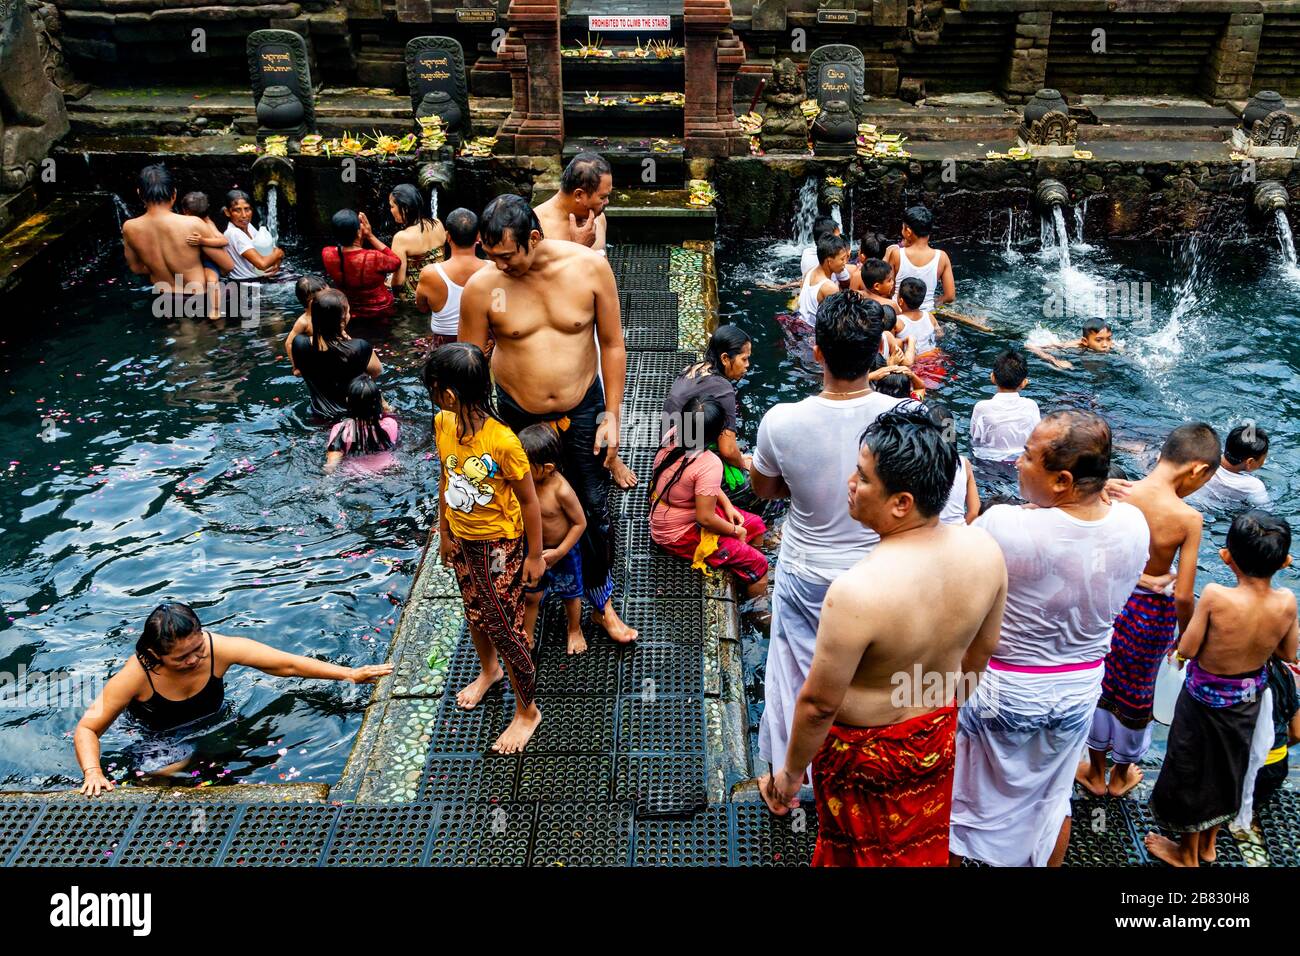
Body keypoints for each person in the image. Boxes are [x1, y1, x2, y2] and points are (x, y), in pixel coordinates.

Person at [759, 404, 1008, 866]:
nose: (850, 484)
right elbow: (981, 654)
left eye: (863, 476)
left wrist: (790, 775)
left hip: (863, 757)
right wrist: (942, 713)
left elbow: (818, 705)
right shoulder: (986, 551)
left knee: (859, 854)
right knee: (918, 843)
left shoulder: (857, 592)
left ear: (901, 503)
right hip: (934, 732)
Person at [949, 410, 1150, 867]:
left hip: (1003, 689)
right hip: (1078, 690)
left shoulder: (1004, 526)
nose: (1018, 463)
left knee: (964, 806)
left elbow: (953, 571)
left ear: (1062, 480)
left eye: (1027, 456)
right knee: (1051, 801)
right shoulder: (1135, 525)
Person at [459, 193, 637, 643]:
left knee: (594, 508)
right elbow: (470, 365)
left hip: (582, 406)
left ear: (533, 238)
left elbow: (613, 344)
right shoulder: (484, 288)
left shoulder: (588, 267)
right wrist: (474, 430)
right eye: (490, 256)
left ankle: (600, 602)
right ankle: (528, 593)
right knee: (523, 508)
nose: (498, 265)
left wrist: (611, 416)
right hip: (519, 413)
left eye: (505, 256)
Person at [750, 292, 907, 776]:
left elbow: (766, 488)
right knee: (875, 678)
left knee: (797, 673)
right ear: (879, 349)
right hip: (884, 574)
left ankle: (789, 775)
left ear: (816, 351)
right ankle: (866, 772)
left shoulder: (781, 421)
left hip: (808, 571)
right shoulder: (906, 417)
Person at [75, 601, 392, 795]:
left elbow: (286, 663)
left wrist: (348, 673)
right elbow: (88, 728)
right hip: (159, 737)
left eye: (197, 649)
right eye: (181, 658)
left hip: (214, 721)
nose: (194, 660)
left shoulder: (217, 648)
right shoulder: (135, 675)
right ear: (155, 653)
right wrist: (93, 772)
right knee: (163, 774)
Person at [1146, 510, 1299, 867]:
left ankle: (1186, 853)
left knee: (1192, 770)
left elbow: (1189, 647)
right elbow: (1288, 653)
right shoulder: (1287, 602)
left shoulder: (1215, 596)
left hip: (1202, 704)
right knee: (1229, 768)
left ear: (1226, 556)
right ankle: (1209, 845)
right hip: (1249, 701)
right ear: (1286, 561)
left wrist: (1180, 652)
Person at [1078, 423, 1219, 797]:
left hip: (1111, 604)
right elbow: (1185, 595)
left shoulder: (1119, 493)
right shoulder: (1188, 519)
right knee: (1137, 693)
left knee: (1103, 682)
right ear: (1198, 471)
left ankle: (1094, 770)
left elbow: (1093, 558)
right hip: (1152, 619)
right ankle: (1121, 776)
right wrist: (1185, 638)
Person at [424, 343, 547, 753]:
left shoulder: (503, 442)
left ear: (450, 393)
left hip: (498, 546)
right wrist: (443, 532)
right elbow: (445, 479)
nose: (432, 394)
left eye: (434, 388)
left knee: (507, 629)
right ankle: (488, 671)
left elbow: (529, 501)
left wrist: (533, 555)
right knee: (475, 611)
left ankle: (527, 711)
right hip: (461, 539)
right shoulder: (443, 423)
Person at [648, 396, 769, 600]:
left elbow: (699, 485)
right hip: (677, 534)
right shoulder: (709, 463)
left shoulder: (675, 434)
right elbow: (704, 518)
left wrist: (728, 505)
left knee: (756, 524)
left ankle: (745, 567)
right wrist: (734, 530)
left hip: (675, 507)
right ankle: (756, 611)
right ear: (714, 434)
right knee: (760, 564)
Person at [661, 325, 756, 509]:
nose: (747, 365)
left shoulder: (692, 369)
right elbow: (728, 450)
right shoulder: (723, 389)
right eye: (744, 359)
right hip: (683, 468)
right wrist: (743, 463)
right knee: (756, 484)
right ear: (725, 358)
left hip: (667, 453)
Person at [518, 424, 590, 655]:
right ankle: (527, 633)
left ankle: (574, 629)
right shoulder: (521, 484)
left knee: (571, 594)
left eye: (525, 466)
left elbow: (580, 523)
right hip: (533, 551)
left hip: (563, 552)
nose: (519, 469)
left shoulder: (561, 490)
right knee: (531, 594)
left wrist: (560, 551)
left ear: (547, 467)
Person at [121, 165, 212, 298]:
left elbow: (136, 268)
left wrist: (159, 268)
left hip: (164, 297)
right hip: (198, 295)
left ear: (139, 193)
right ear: (174, 194)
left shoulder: (129, 227)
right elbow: (226, 265)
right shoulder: (193, 223)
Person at [291, 288, 383, 420]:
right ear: (343, 320)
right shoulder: (359, 347)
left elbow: (298, 370)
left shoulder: (299, 344)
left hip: (319, 415)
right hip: (355, 416)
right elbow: (376, 371)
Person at [415, 207, 490, 351]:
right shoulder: (492, 269)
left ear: (447, 236)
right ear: (478, 237)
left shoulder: (430, 273)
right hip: (483, 344)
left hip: (444, 347)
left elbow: (422, 307)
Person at [322, 208, 401, 320]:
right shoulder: (373, 257)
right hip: (380, 313)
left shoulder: (327, 254)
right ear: (359, 232)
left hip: (348, 311)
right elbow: (396, 262)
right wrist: (370, 236)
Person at [534, 152, 614, 252]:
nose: (607, 202)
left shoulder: (598, 218)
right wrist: (578, 247)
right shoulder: (538, 227)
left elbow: (603, 264)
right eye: (602, 197)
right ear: (578, 195)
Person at [969, 349, 1040, 462]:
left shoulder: (981, 407)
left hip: (987, 462)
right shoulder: (1031, 405)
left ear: (992, 377)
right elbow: (1036, 438)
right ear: (1024, 383)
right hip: (1021, 462)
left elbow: (974, 438)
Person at [884, 205, 955, 313]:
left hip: (898, 313)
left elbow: (889, 290)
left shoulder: (897, 254)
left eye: (903, 227)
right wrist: (934, 302)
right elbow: (950, 296)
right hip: (927, 314)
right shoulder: (942, 257)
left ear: (908, 231)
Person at [1251, 655, 1300, 811]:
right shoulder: (1285, 673)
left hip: (1240, 768)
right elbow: (1297, 733)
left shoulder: (1242, 673)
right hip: (1274, 766)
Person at [324, 375, 399, 474]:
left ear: (348, 401)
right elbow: (389, 411)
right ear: (378, 402)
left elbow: (331, 464)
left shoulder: (341, 430)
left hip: (355, 476)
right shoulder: (390, 424)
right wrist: (382, 404)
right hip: (388, 470)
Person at [1189, 423, 1271, 511]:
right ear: (1249, 462)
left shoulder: (1202, 459)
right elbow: (1265, 512)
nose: (1264, 462)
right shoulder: (1253, 486)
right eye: (1263, 459)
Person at [388, 183, 447, 298]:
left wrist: (389, 283)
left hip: (416, 298)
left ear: (404, 208)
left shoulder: (401, 238)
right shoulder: (437, 224)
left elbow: (398, 283)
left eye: (392, 206)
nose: (390, 211)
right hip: (439, 291)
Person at [929, 402, 981, 525]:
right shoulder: (963, 463)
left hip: (926, 536)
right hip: (960, 533)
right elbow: (974, 512)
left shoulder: (915, 463)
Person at [222, 189, 284, 280]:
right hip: (247, 283)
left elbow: (267, 249)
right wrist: (279, 253)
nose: (244, 215)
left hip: (258, 278)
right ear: (227, 212)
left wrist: (277, 263)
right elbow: (262, 264)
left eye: (247, 209)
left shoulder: (248, 226)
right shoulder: (233, 233)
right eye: (237, 210)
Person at [178, 191, 236, 287]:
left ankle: (215, 301)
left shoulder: (208, 223)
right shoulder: (183, 223)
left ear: (185, 212)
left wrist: (202, 241)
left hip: (209, 262)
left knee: (211, 280)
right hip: (193, 263)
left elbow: (224, 240)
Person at [796, 234, 850, 327]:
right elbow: (836, 322)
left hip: (801, 322)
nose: (845, 263)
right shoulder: (829, 287)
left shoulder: (810, 271)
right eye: (842, 259)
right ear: (829, 261)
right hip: (812, 332)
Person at [1027, 317, 1118, 370]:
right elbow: (1031, 346)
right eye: (1099, 340)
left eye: (1109, 339)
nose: (1105, 344)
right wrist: (1055, 361)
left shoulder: (1110, 344)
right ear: (1085, 342)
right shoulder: (1069, 346)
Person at [283, 274, 330, 374]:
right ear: (309, 301)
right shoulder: (303, 321)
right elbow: (289, 343)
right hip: (315, 360)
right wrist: (296, 366)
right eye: (323, 297)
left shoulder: (328, 313)